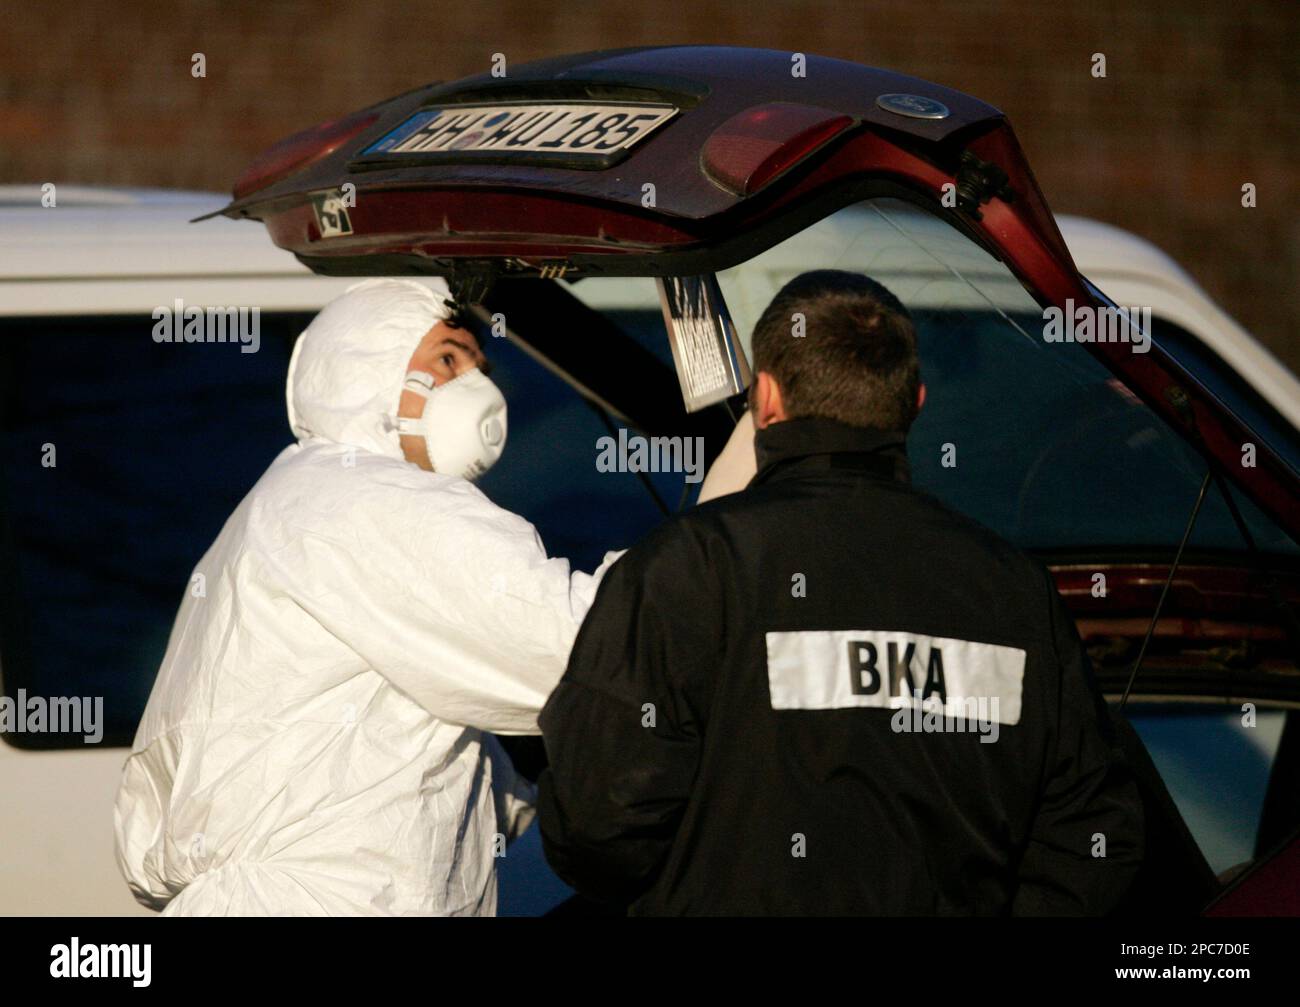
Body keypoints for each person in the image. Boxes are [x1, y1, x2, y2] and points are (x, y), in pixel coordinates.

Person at [536, 269, 1144, 915]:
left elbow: (597, 825)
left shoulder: (689, 567)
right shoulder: (1014, 592)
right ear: (914, 402)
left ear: (764, 399)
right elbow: (1093, 838)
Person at [115, 277, 618, 916]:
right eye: (446, 359)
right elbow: (571, 645)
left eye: (479, 366)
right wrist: (707, 560)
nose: (478, 389)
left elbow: (453, 772)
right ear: (369, 372)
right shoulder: (364, 500)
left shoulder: (302, 498)